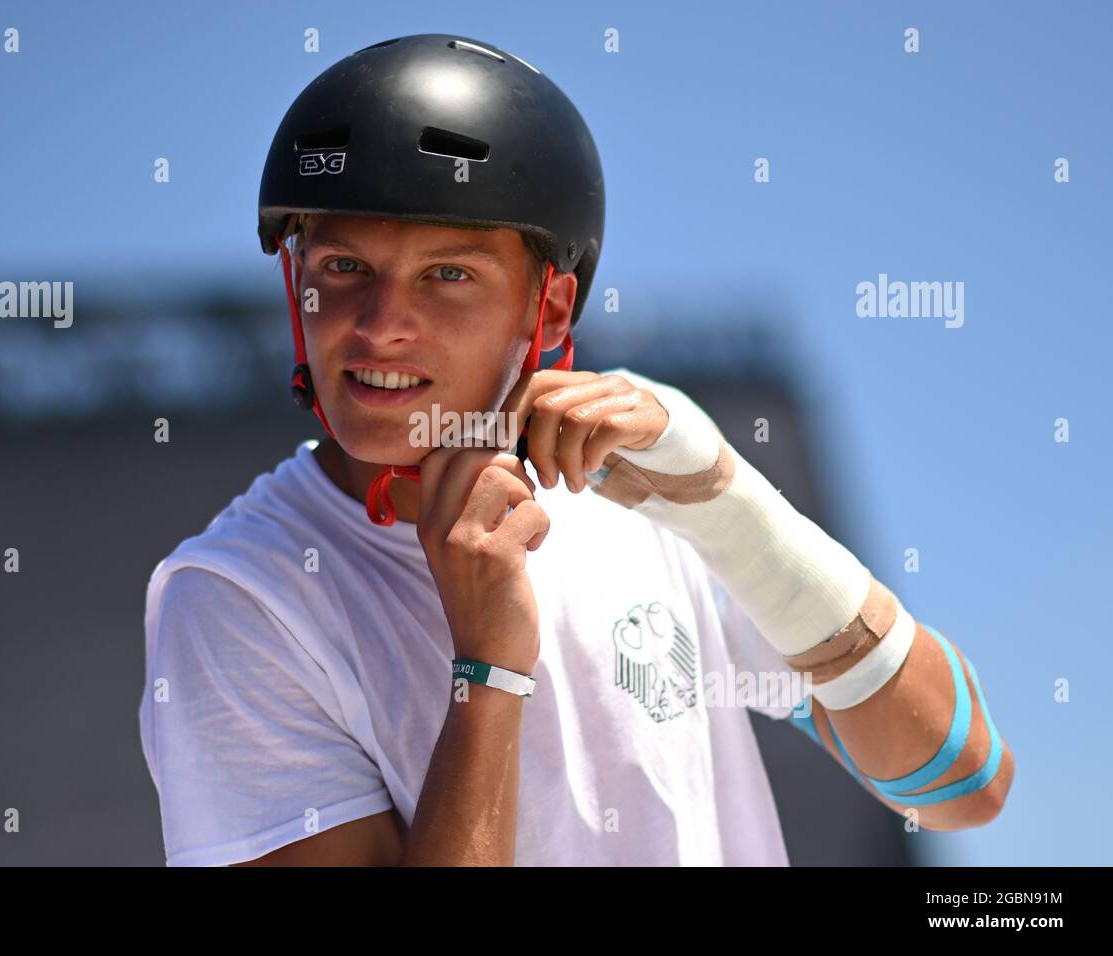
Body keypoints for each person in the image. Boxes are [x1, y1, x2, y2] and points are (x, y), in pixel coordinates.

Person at [138, 33, 1013, 866]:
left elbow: (960, 785)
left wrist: (728, 504)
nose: (381, 326)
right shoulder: (236, 595)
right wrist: (487, 667)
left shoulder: (644, 475)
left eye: (448, 274)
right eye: (343, 268)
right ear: (298, 284)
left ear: (548, 310)